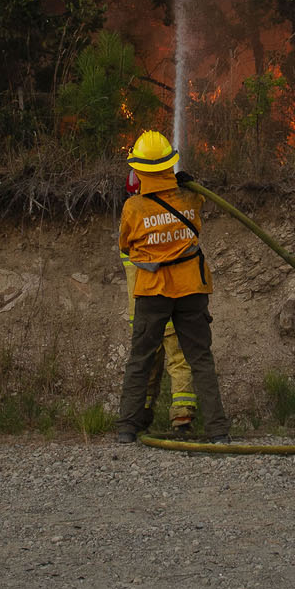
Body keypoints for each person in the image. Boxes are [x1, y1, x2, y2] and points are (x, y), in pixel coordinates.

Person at [114, 130, 230, 445]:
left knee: (140, 358)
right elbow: (200, 208)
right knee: (200, 358)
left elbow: (126, 242)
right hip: (191, 289)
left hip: (153, 292)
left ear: (138, 171)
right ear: (171, 166)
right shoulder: (191, 198)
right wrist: (183, 185)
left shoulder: (133, 208)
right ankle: (218, 432)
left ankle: (127, 428)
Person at [118, 164, 198, 435]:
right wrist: (185, 189)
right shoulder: (157, 212)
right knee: (180, 361)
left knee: (146, 367)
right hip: (169, 302)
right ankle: (182, 420)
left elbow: (126, 245)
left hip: (143, 312)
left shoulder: (132, 214)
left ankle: (139, 418)